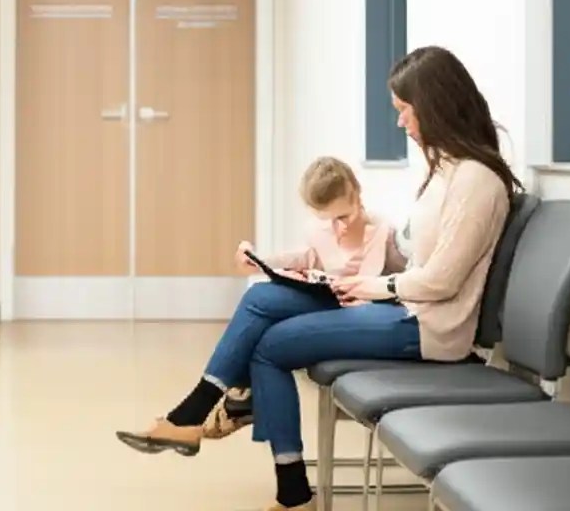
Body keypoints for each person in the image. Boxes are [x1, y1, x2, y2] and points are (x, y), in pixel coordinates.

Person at [117, 46, 519, 511]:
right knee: (264, 297)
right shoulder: (446, 171)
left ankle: (251, 454)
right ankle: (208, 419)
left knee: (270, 346)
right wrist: (314, 272)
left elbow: (443, 281)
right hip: (403, 306)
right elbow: (417, 256)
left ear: (435, 105)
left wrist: (373, 287)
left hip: (428, 327)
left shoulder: (476, 180)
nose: (400, 122)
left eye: (405, 109)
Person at [115, 155, 404, 454]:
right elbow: (312, 257)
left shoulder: (382, 231)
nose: (338, 227)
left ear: (357, 193)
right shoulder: (321, 230)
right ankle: (233, 413)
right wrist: (262, 262)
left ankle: (213, 408)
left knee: (260, 301)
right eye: (329, 220)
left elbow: (378, 288)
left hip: (357, 316)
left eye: (343, 217)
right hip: (329, 303)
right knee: (263, 314)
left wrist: (351, 274)